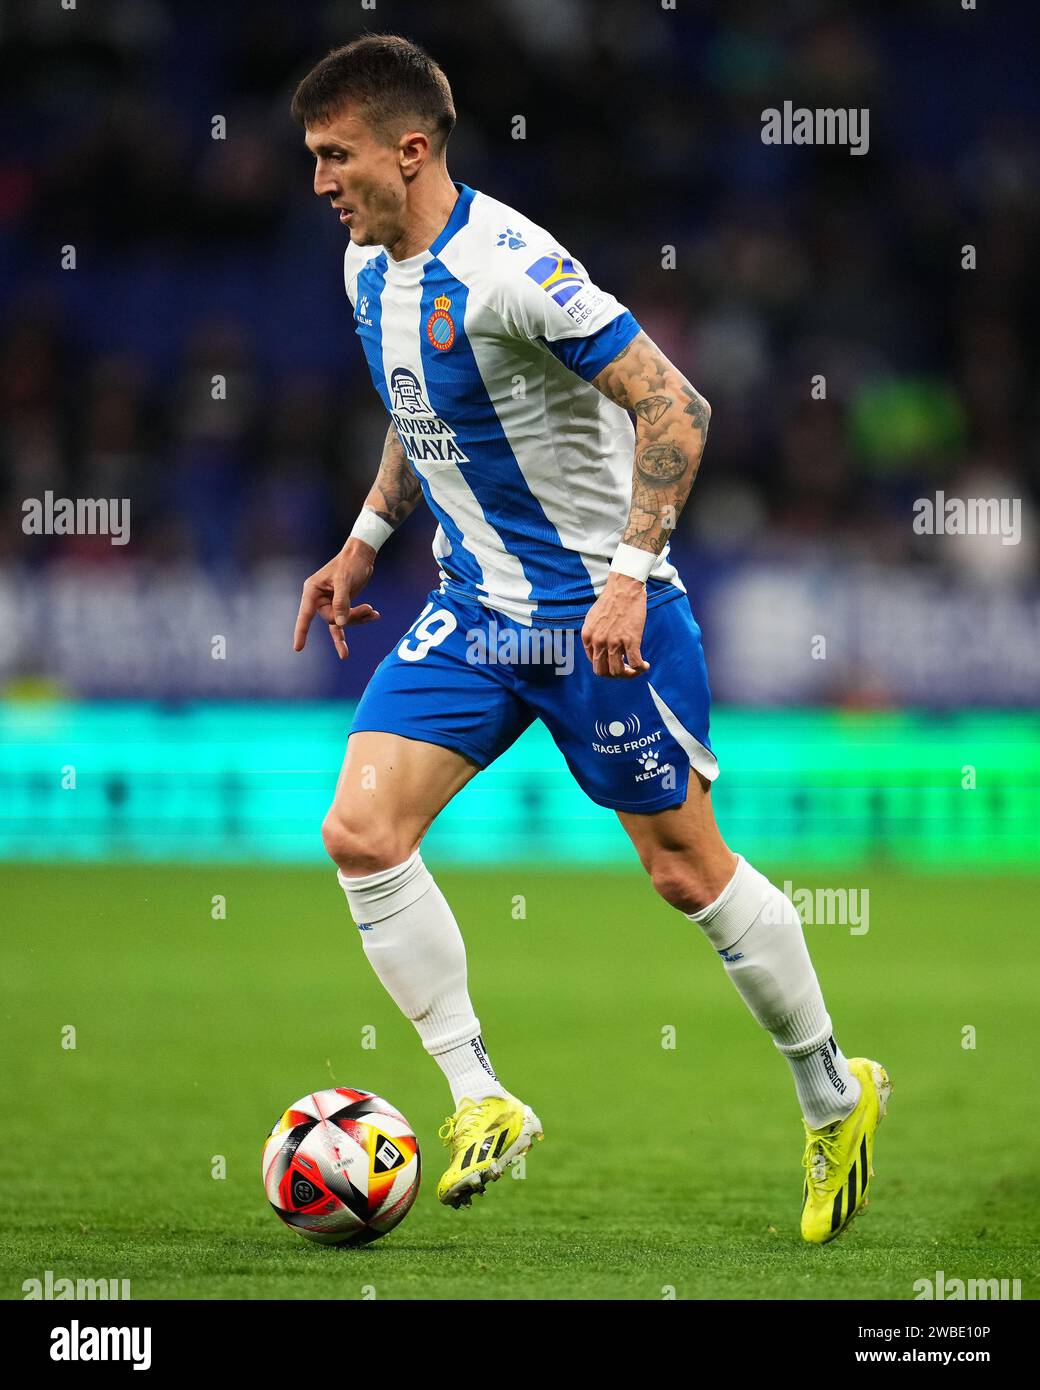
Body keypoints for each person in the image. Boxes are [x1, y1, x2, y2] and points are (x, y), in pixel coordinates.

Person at [290, 33, 890, 1243]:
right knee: (359, 832)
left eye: (333, 155)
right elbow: (423, 409)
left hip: (597, 619)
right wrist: (362, 541)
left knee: (682, 871)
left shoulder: (513, 268)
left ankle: (835, 1094)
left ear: (409, 151)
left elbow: (678, 404)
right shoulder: (367, 268)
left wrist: (626, 576)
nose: (318, 182)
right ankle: (480, 1096)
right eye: (312, 158)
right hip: (472, 610)